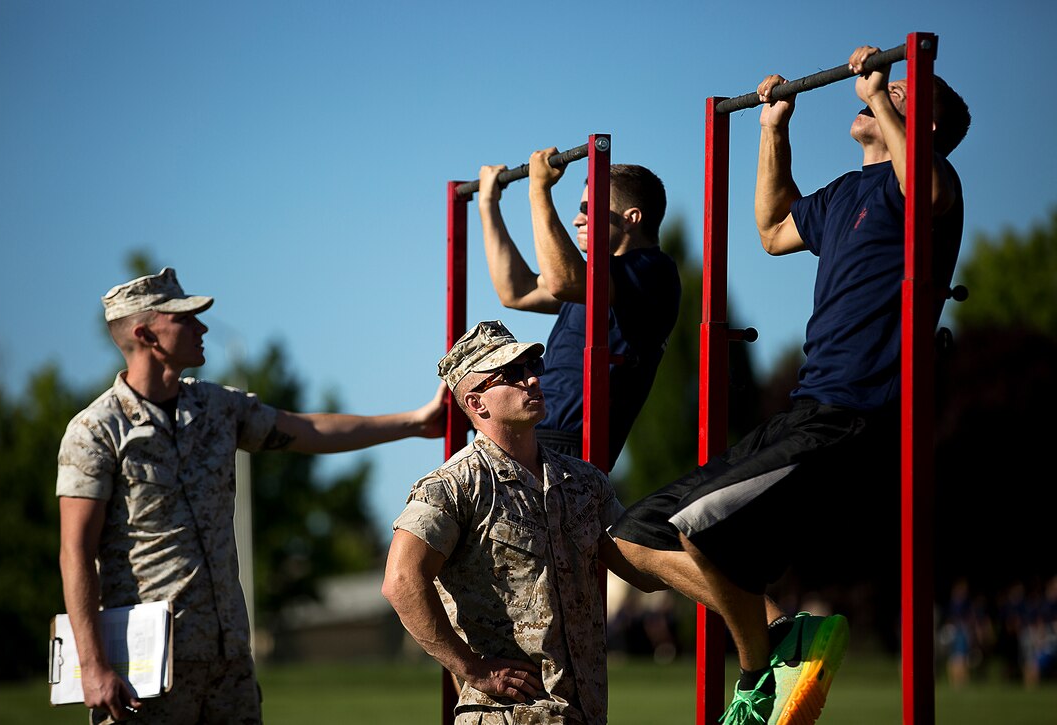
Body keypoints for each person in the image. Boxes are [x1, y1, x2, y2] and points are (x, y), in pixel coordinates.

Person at [608, 45, 972, 725]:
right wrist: (774, 129)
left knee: (702, 529)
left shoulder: (931, 182)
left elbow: (921, 186)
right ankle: (784, 636)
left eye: (896, 94)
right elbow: (773, 227)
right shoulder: (844, 194)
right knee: (628, 537)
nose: (875, 96)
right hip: (807, 407)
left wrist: (885, 93)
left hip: (856, 412)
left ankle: (758, 677)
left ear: (920, 123)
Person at [56, 267, 446, 724]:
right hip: (143, 669)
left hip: (228, 660)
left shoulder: (217, 408)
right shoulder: (95, 431)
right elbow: (75, 552)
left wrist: (416, 423)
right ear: (145, 334)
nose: (201, 327)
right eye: (184, 319)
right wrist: (94, 665)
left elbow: (308, 429)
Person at [382, 320, 664, 724]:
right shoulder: (453, 485)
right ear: (477, 403)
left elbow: (643, 568)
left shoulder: (583, 481)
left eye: (532, 366)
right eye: (511, 374)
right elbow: (401, 581)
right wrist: (474, 670)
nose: (532, 379)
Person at [477, 152, 680, 471]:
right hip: (538, 433)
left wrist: (539, 190)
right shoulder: (593, 279)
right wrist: (488, 206)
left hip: (573, 445)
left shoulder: (652, 272)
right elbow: (517, 290)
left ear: (631, 217)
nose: (577, 219)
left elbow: (561, 281)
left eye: (588, 209)